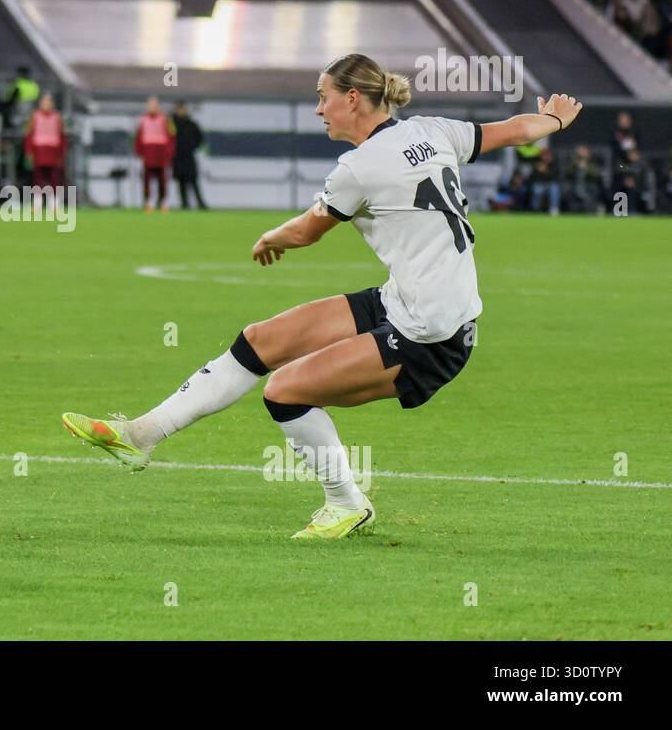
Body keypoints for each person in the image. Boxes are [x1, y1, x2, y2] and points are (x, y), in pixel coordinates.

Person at [62, 52, 583, 539]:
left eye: (323, 97)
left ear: (353, 99)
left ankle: (346, 502)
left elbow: (308, 231)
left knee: (285, 391)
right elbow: (516, 130)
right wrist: (555, 121)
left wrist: (270, 237)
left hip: (431, 333)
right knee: (261, 339)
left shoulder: (359, 167)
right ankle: (142, 436)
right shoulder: (432, 130)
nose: (318, 109)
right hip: (408, 301)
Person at [134, 96, 175, 213]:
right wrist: (139, 151)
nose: (152, 107)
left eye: (154, 105)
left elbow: (172, 136)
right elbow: (138, 137)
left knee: (163, 179)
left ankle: (164, 203)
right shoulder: (143, 120)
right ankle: (149, 202)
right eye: (150, 105)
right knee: (147, 179)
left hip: (161, 153)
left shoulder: (165, 119)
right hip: (148, 152)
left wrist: (169, 152)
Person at [23, 92, 67, 201]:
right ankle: (38, 200)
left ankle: (54, 201)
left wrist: (62, 152)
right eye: (44, 102)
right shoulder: (35, 117)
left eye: (48, 102)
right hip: (39, 150)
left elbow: (62, 136)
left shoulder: (57, 117)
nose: (46, 105)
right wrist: (29, 150)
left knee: (54, 177)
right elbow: (29, 134)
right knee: (38, 177)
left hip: (53, 151)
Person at [171, 101, 207, 209]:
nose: (180, 111)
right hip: (177, 157)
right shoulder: (171, 125)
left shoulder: (191, 124)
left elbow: (200, 139)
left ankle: (200, 204)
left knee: (193, 182)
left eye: (182, 109)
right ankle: (184, 204)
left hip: (189, 157)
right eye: (178, 109)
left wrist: (192, 147)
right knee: (180, 183)